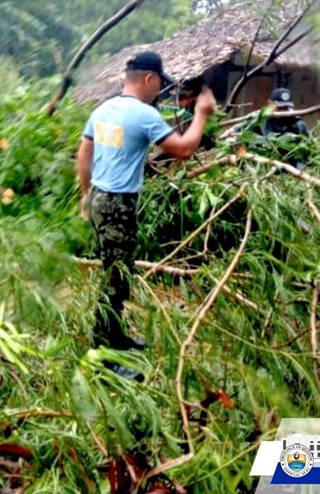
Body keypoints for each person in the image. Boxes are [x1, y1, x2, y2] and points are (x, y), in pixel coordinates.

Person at [76, 51, 217, 370]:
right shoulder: (143, 114)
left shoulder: (103, 109)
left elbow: (84, 152)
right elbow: (183, 149)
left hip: (100, 198)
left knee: (117, 272)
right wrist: (202, 114)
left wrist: (86, 196)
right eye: (159, 85)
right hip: (118, 203)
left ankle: (115, 337)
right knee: (116, 278)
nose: (159, 92)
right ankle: (102, 356)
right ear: (149, 79)